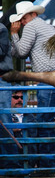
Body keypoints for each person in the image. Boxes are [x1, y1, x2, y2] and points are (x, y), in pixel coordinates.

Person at [10, 1, 55, 168]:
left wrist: (14, 33)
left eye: (24, 18)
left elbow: (20, 52)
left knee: (44, 122)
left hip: (49, 79)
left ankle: (49, 165)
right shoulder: (44, 25)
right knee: (47, 121)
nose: (22, 22)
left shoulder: (31, 27)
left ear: (32, 15)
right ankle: (49, 163)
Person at [0, 13, 19, 167]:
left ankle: (12, 164)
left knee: (4, 119)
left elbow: (1, 52)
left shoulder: (1, 30)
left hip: (1, 78)